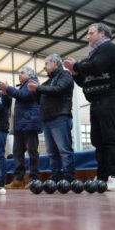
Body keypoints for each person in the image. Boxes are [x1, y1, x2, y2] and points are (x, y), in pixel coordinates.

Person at [64, 23, 115, 191]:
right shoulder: (93, 55)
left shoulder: (109, 48)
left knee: (110, 138)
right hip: (96, 102)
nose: (87, 36)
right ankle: (103, 175)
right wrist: (76, 73)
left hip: (111, 98)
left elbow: (96, 67)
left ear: (103, 34)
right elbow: (85, 81)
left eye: (91, 33)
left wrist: (76, 66)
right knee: (98, 141)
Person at [28, 54, 74, 182]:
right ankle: (55, 177)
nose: (44, 67)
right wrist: (35, 92)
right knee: (52, 153)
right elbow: (40, 100)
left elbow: (59, 89)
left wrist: (38, 88)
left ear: (55, 63)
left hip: (60, 116)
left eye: (47, 63)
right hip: (47, 119)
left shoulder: (65, 75)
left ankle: (68, 178)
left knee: (64, 150)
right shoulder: (47, 82)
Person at [1, 67, 42, 189]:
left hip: (30, 122)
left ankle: (34, 178)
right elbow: (5, 104)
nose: (19, 74)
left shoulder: (32, 82)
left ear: (30, 74)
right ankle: (18, 179)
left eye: (22, 72)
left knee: (32, 151)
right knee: (17, 152)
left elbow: (24, 96)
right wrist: (4, 93)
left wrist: (8, 88)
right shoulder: (22, 85)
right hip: (19, 123)